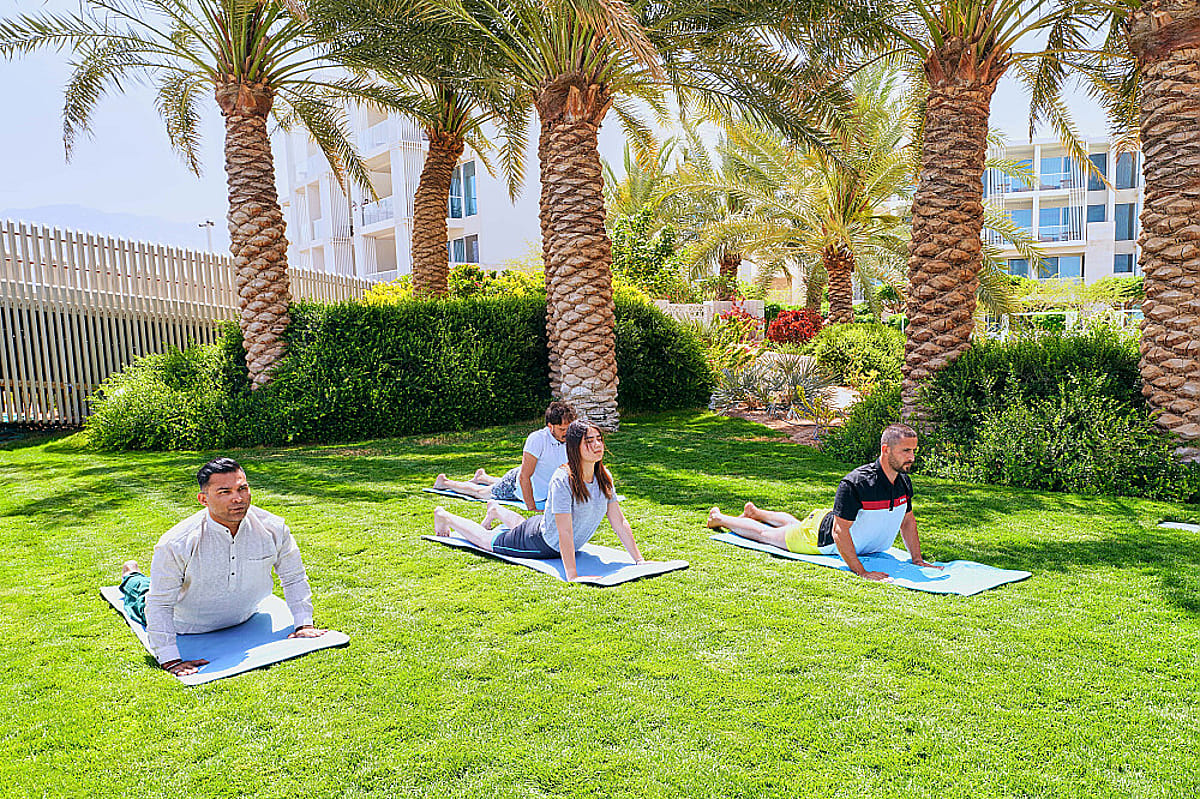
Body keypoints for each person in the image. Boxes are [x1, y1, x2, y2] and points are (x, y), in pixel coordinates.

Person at [118, 457, 325, 676]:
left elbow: (294, 577)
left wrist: (304, 625)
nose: (238, 499)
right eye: (224, 492)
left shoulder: (273, 528)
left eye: (242, 488)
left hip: (245, 615)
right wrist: (170, 659)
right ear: (203, 499)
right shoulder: (176, 543)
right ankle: (131, 574)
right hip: (186, 624)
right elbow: (159, 604)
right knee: (144, 593)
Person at [707, 423, 941, 581]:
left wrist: (917, 559)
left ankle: (756, 511)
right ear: (885, 450)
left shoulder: (903, 482)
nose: (911, 457)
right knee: (766, 537)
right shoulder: (856, 483)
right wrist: (861, 572)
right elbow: (839, 532)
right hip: (818, 537)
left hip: (832, 519)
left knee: (794, 525)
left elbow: (907, 521)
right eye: (905, 451)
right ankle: (719, 518)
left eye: (913, 451)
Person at [434, 419, 647, 581]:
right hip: (541, 543)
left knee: (521, 525)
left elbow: (619, 521)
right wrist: (572, 575)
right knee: (486, 541)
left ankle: (496, 511)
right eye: (588, 441)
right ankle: (445, 516)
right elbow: (564, 531)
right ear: (575, 447)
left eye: (599, 439)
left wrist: (639, 561)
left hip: (543, 527)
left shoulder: (604, 477)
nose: (597, 445)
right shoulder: (563, 479)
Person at [434, 401, 576, 511]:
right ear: (550, 427)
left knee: (492, 484)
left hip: (536, 480)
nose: (566, 432)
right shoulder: (538, 439)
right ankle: (445, 482)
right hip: (515, 483)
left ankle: (481, 477)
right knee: (482, 492)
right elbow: (524, 477)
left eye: (569, 428)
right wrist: (531, 507)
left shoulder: (571, 437)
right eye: (562, 429)